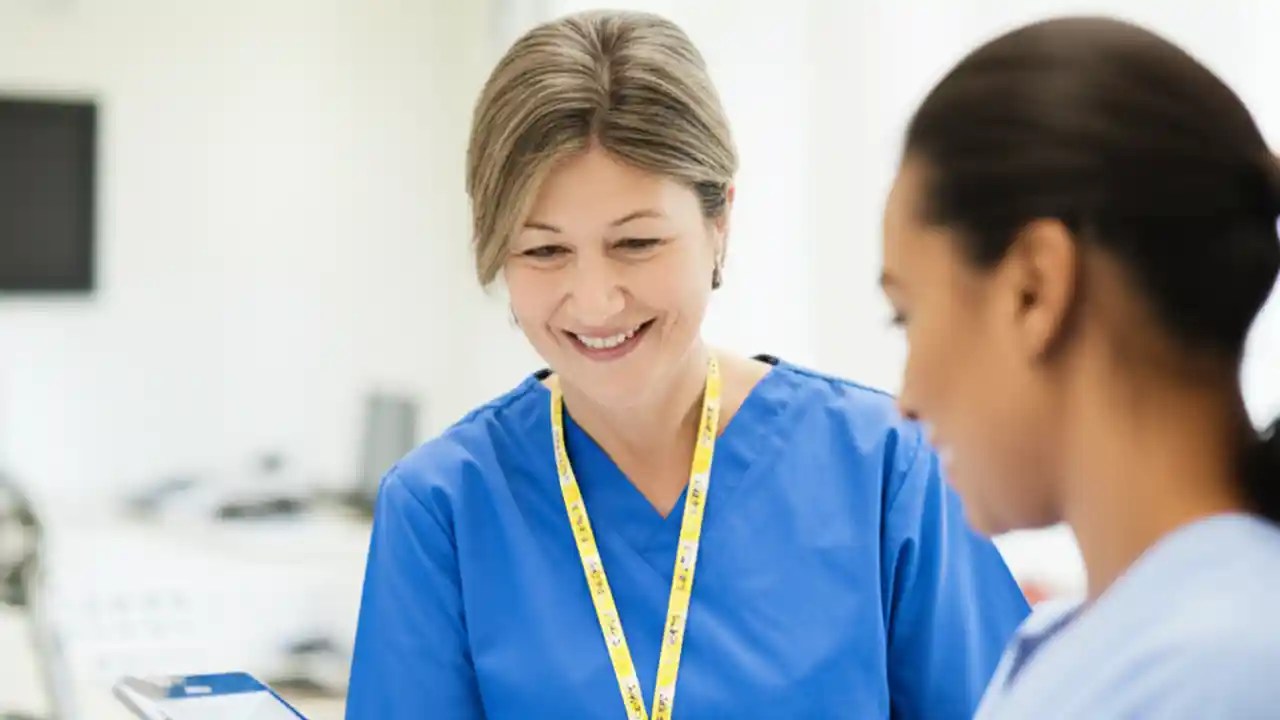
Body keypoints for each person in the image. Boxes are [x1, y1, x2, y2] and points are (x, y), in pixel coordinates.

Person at [345, 9, 1028, 720]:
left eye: (637, 243)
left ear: (719, 219)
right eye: (544, 251)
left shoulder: (883, 469)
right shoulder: (442, 510)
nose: (596, 301)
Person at [880, 16, 1280, 719]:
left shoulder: (1220, 673)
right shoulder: (1074, 640)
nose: (906, 400)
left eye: (906, 315)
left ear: (1035, 289)